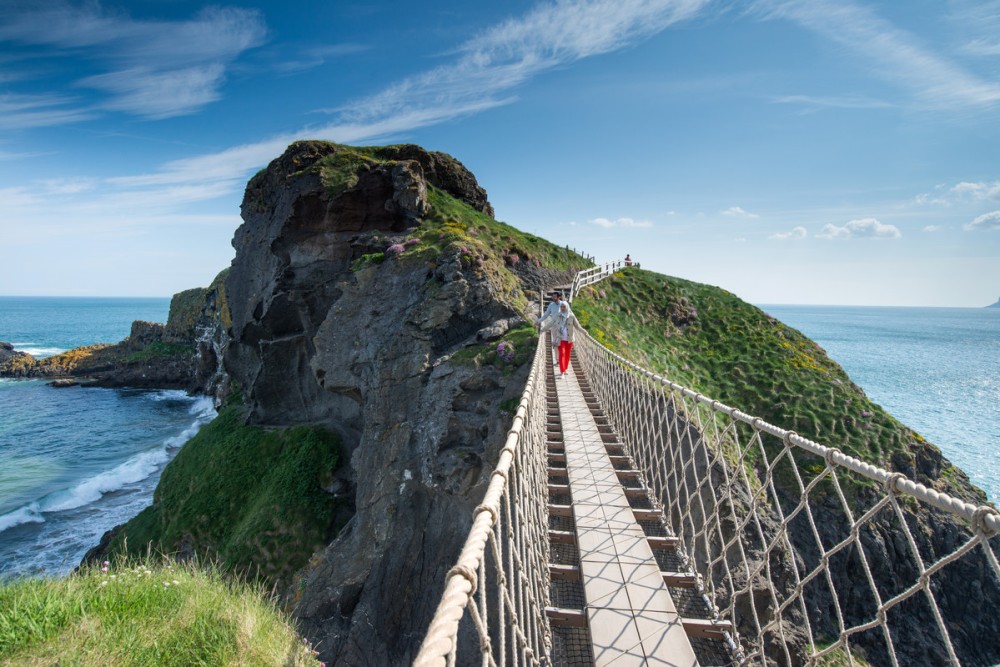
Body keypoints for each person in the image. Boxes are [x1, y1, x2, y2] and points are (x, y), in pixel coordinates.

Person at [541, 300, 577, 378]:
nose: (562, 308)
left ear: (567, 307)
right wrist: (542, 329)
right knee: (562, 354)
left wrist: (585, 332)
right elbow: (551, 323)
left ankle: (565, 369)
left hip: (570, 339)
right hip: (560, 339)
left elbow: (577, 326)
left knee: (567, 355)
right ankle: (562, 372)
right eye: (561, 307)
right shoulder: (558, 315)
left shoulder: (571, 316)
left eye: (564, 306)